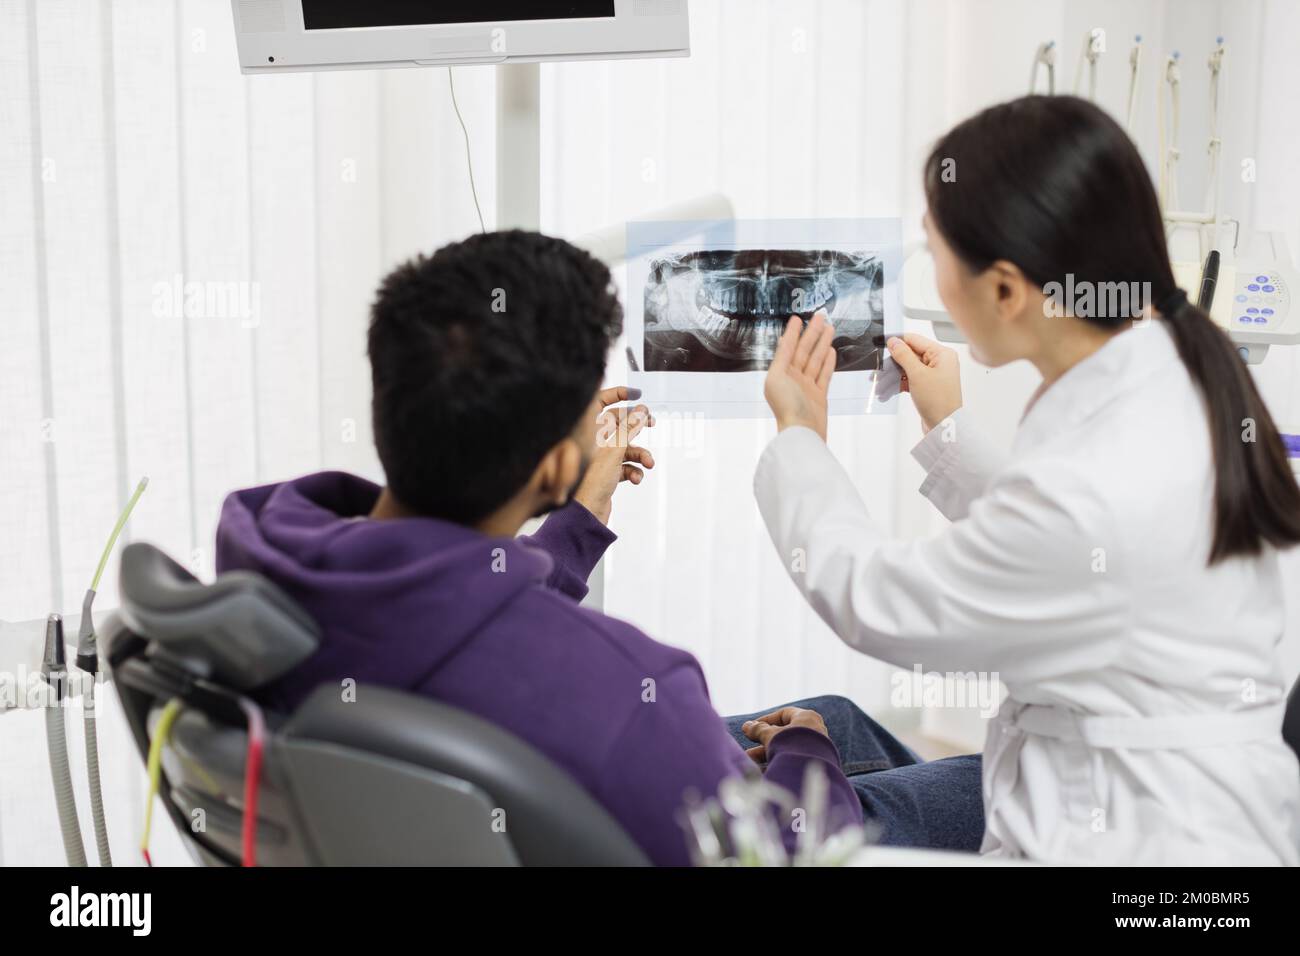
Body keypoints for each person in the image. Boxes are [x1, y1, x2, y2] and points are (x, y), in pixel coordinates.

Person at [217, 231, 905, 866]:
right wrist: (807, 751)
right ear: (550, 466)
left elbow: (456, 633)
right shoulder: (637, 687)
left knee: (838, 717)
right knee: (952, 777)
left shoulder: (275, 566)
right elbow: (784, 854)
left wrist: (576, 518)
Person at [756, 95, 1300, 864]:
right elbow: (1071, 560)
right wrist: (948, 431)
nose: (926, 274)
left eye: (934, 250)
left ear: (1006, 289)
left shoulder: (1098, 481)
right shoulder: (1171, 376)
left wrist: (800, 439)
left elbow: (879, 599)